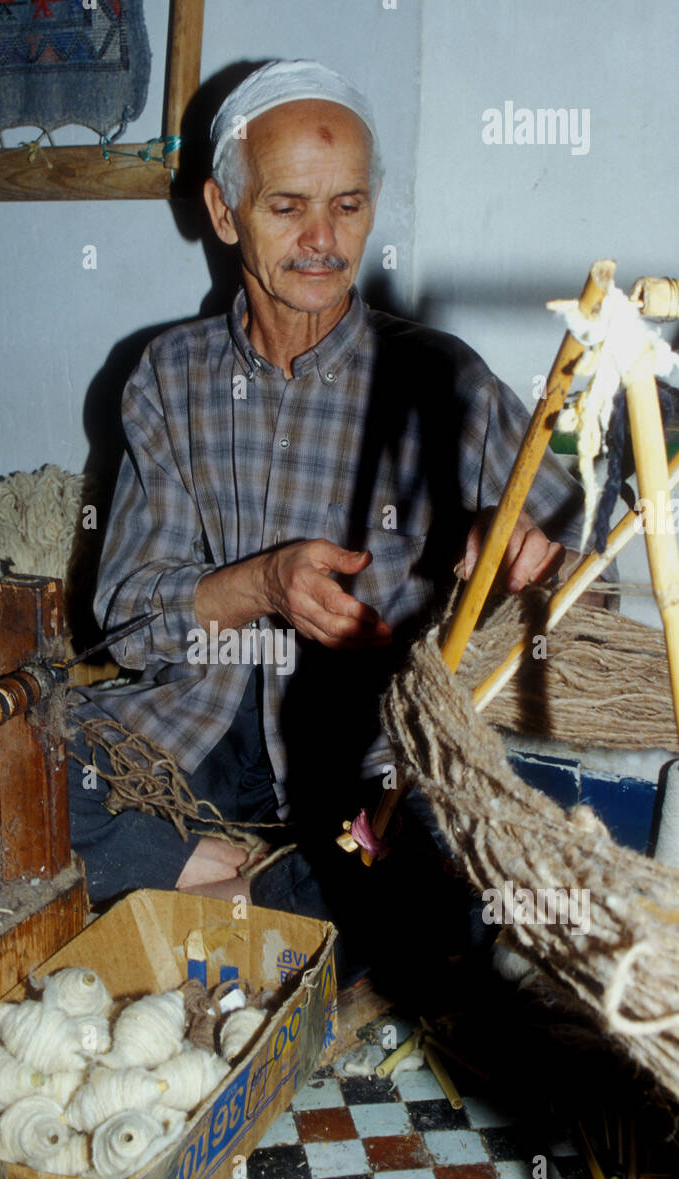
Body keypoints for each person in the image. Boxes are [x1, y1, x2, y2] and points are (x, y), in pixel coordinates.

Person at [68, 60, 584, 979]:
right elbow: (134, 622)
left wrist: (510, 564)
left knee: (450, 875)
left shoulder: (439, 378)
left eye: (347, 207)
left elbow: (570, 568)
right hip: (203, 722)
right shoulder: (167, 376)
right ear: (224, 214)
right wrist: (262, 582)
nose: (322, 240)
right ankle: (247, 895)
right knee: (6, 768)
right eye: (287, 208)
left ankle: (210, 903)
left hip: (366, 756)